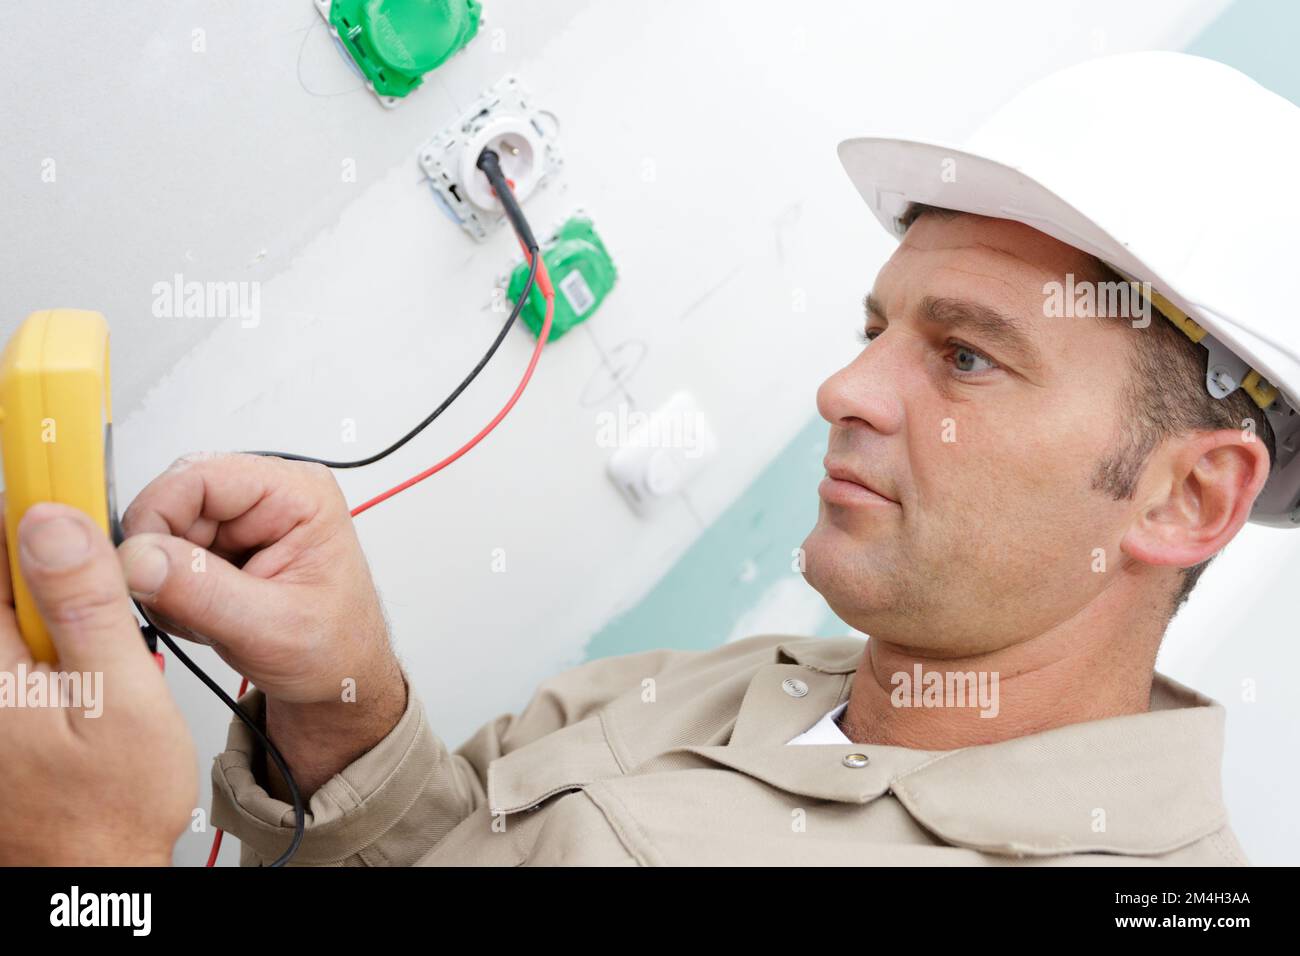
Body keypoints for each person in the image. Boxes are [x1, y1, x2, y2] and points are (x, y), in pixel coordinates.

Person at [1, 51, 1296, 865]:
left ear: (1189, 496)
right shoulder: (758, 689)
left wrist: (84, 869)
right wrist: (345, 708)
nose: (847, 389)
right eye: (877, 329)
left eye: (964, 357)